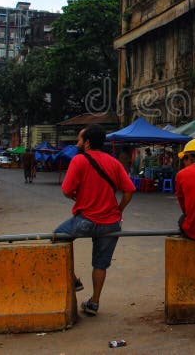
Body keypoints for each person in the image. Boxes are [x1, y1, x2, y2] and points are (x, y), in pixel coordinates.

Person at [54, 124, 135, 316]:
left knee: (58, 237)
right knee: (100, 264)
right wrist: (119, 209)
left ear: (88, 142)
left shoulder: (79, 160)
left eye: (80, 140)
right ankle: (94, 302)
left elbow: (66, 190)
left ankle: (74, 280)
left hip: (85, 220)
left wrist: (76, 196)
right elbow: (129, 190)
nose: (77, 143)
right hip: (110, 223)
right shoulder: (114, 162)